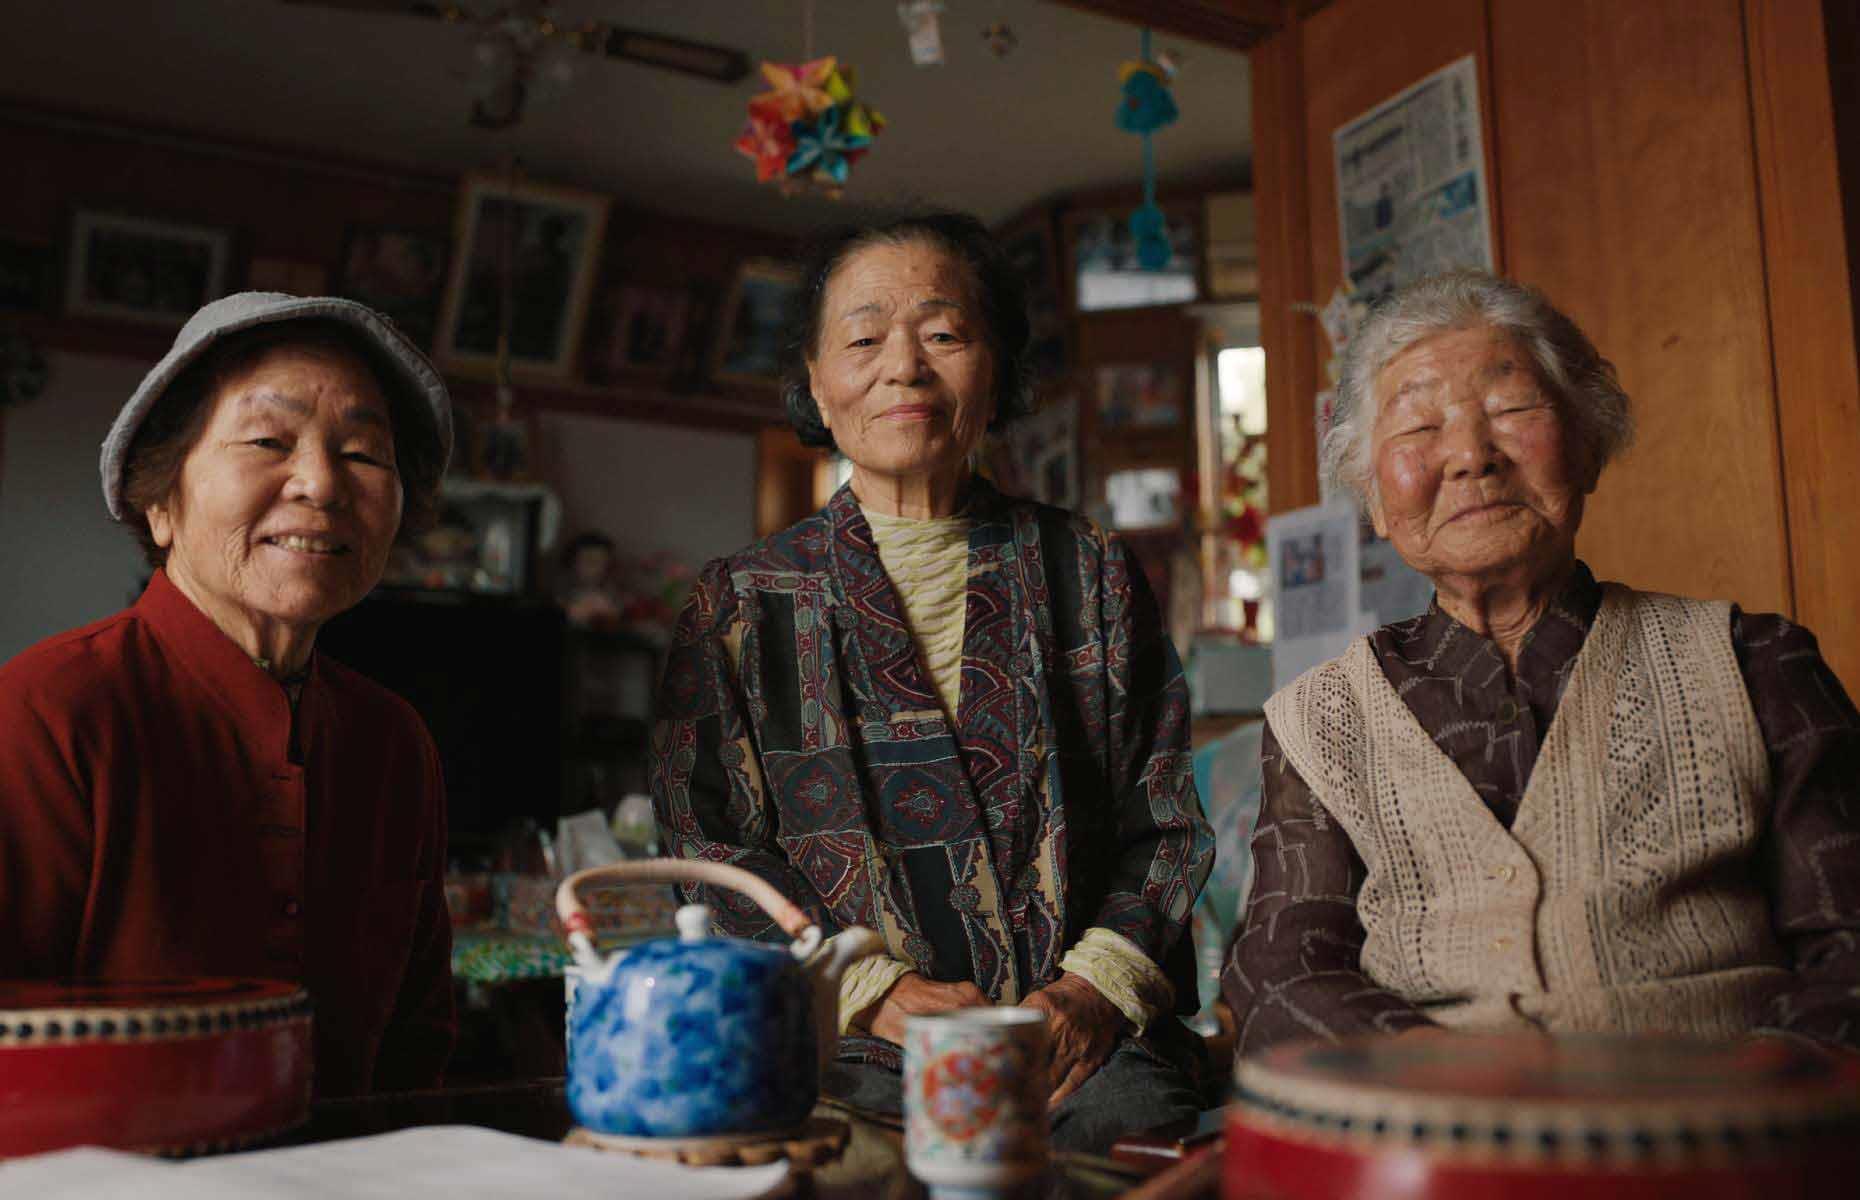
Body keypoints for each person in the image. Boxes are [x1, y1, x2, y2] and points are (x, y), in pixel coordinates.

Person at [651, 213, 1215, 1152]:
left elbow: (1163, 824)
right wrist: (870, 990)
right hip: (849, 1044)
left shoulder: (1090, 573)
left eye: (944, 334)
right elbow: (706, 845)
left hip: (1077, 1054)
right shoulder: (738, 604)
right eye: (864, 340)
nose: (904, 368)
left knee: (1131, 1146)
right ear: (817, 384)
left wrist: (1089, 994)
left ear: (996, 372)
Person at [1222, 270, 1860, 1058]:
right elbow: (1282, 972)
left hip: (1724, 1113)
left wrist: (1751, 1102)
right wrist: (1450, 1090)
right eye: (1419, 427)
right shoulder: (1320, 720)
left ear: (1587, 445)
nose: (1470, 456)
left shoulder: (1756, 664)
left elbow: (1848, 951)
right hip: (1431, 1118)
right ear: (1375, 500)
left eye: (1511, 409)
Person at [0, 293, 458, 1096]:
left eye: (363, 453)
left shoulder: (393, 742)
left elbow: (415, 1056)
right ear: (159, 499)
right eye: (268, 441)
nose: (321, 483)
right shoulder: (49, 711)